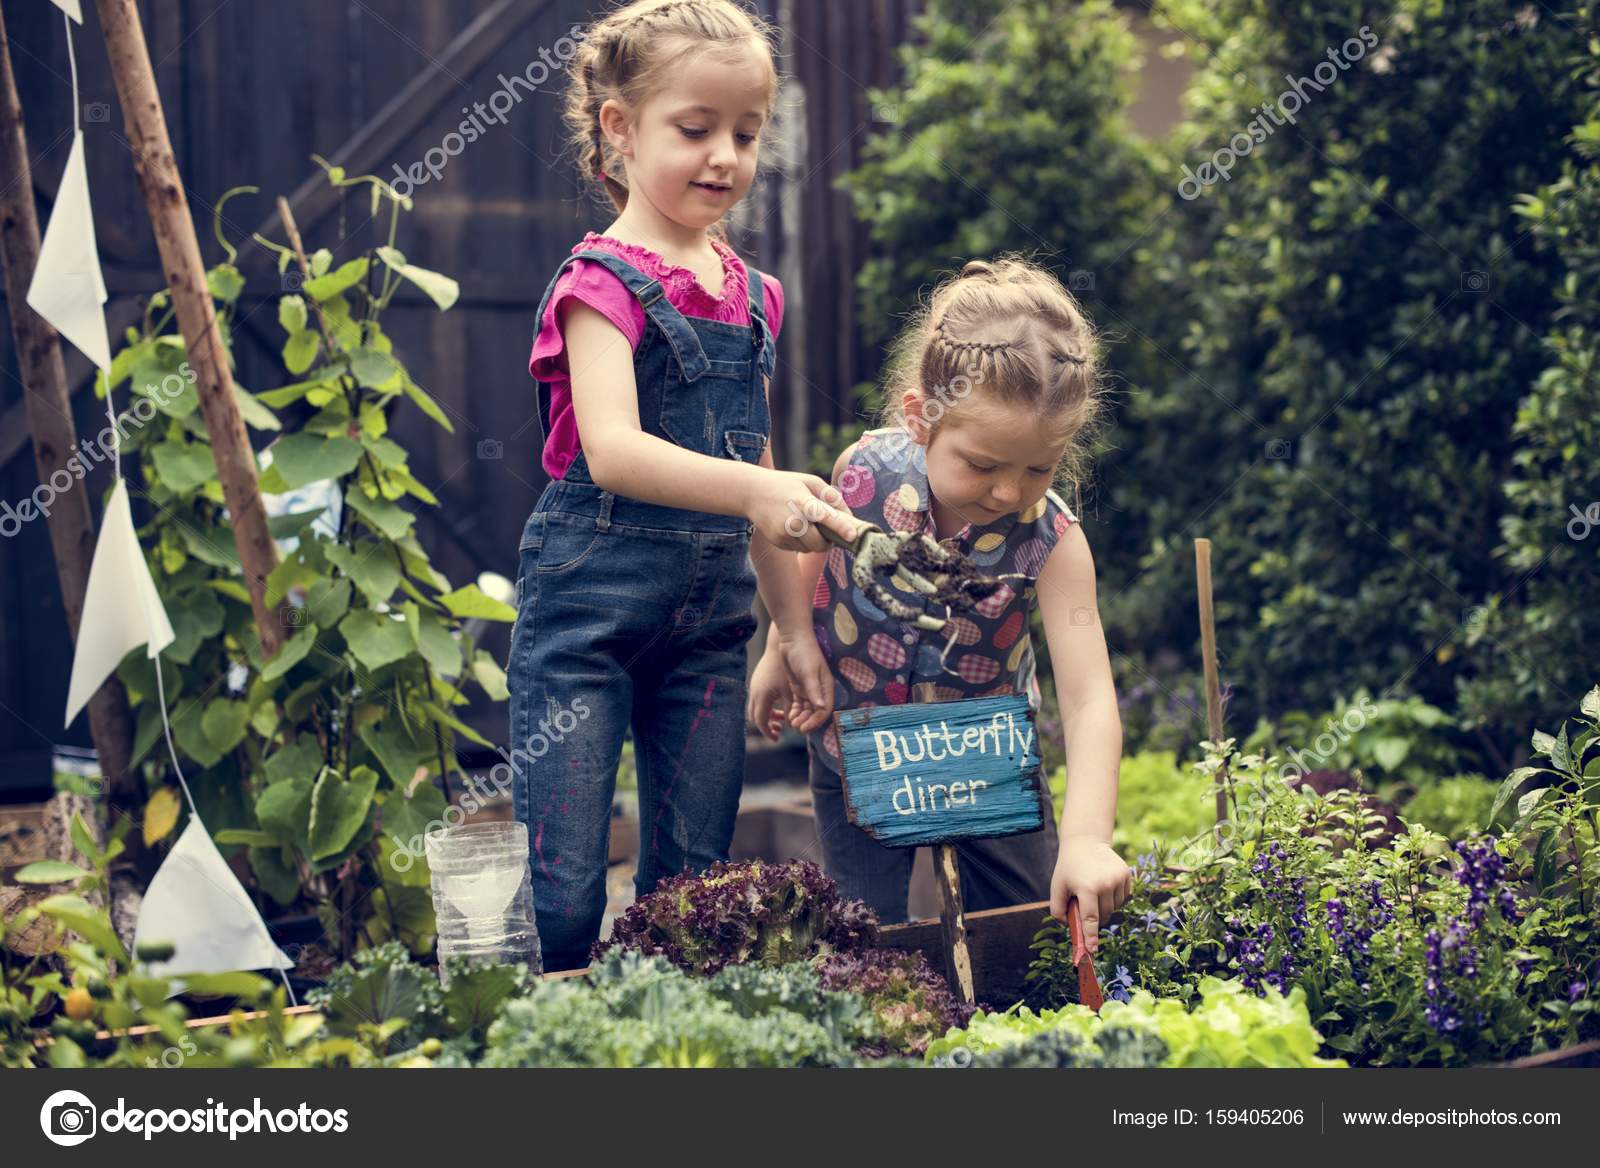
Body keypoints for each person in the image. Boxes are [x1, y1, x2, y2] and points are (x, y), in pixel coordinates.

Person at [511, 0, 855, 971]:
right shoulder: (598, 285)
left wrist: (792, 634)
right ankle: (549, 1027)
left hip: (707, 629)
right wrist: (753, 493)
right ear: (620, 128)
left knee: (692, 892)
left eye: (745, 133)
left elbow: (758, 472)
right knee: (565, 893)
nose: (724, 157)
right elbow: (614, 451)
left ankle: (665, 1036)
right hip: (588, 611)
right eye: (695, 128)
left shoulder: (755, 299)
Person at [748, 256, 1132, 951]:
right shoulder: (862, 473)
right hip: (857, 749)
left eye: (1039, 467)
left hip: (985, 766)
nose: (1009, 492)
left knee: (1022, 938)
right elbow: (818, 561)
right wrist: (782, 644)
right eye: (983, 464)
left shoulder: (1054, 541)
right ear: (920, 419)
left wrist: (1086, 841)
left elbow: (1088, 699)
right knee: (865, 937)